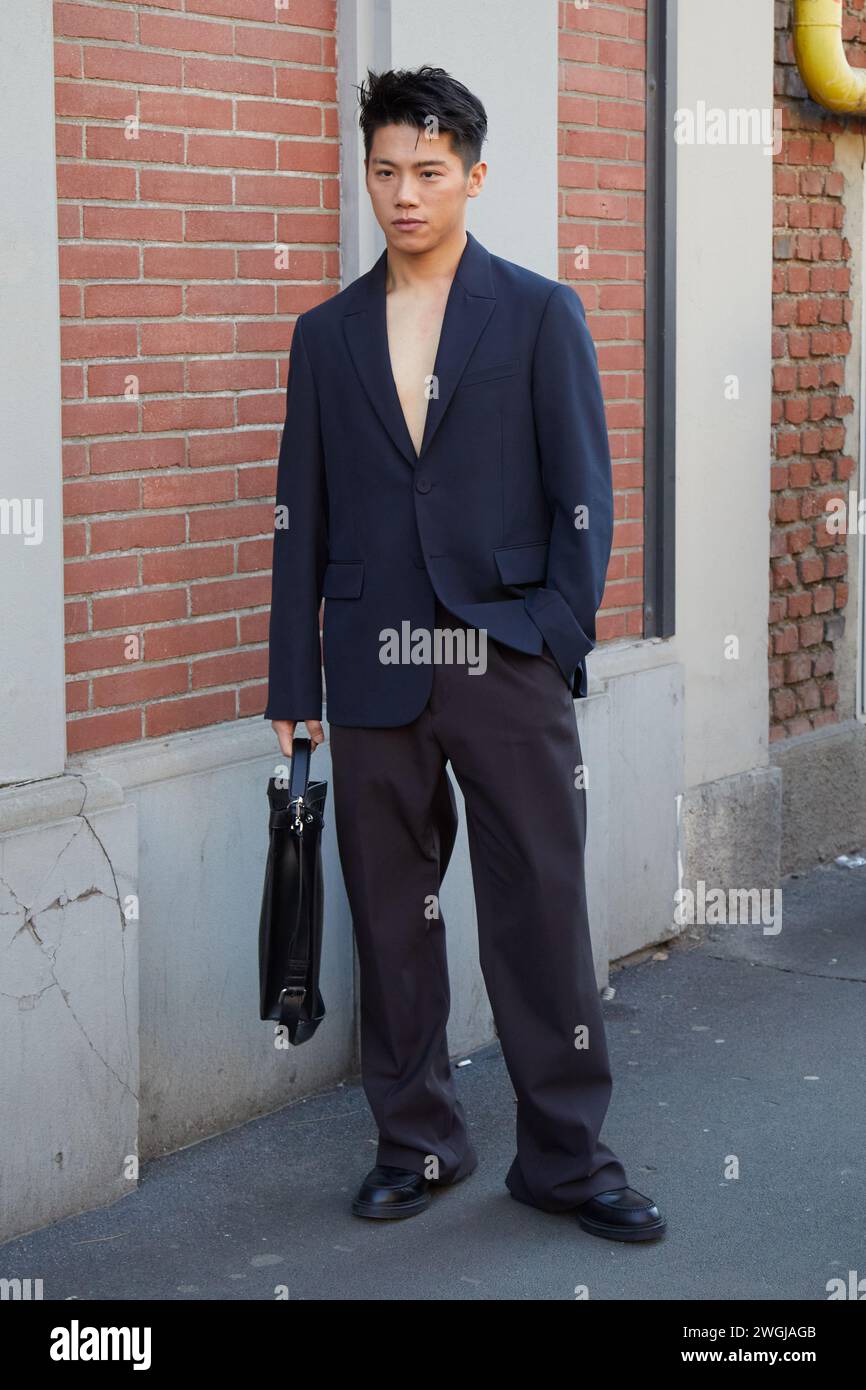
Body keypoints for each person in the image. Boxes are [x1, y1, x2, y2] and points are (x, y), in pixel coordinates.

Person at [265, 65, 665, 1242]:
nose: (403, 193)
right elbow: (300, 516)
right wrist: (295, 685)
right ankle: (419, 1142)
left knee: (539, 912)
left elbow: (581, 491)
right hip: (374, 671)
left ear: (472, 177)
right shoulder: (325, 334)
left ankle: (565, 1157)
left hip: (502, 661)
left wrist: (548, 637)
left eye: (428, 172)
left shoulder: (538, 312)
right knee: (392, 919)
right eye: (384, 170)